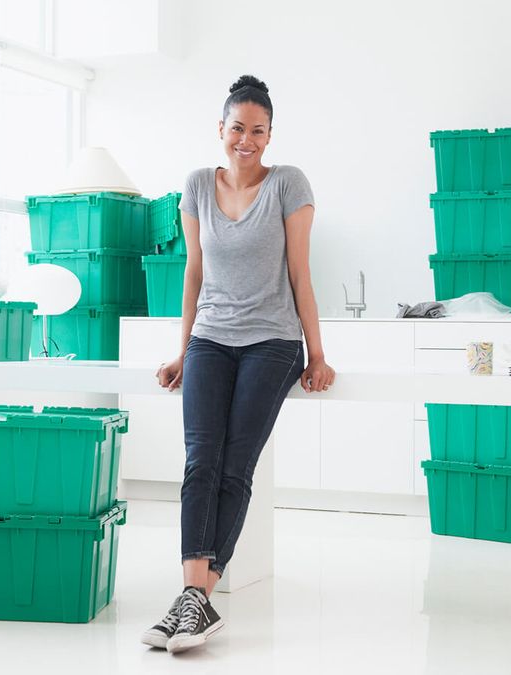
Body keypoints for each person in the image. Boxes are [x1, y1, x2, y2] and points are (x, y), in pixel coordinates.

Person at [141, 74, 336, 654]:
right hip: (210, 341)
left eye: (257, 131)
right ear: (220, 131)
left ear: (270, 135)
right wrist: (182, 347)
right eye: (236, 129)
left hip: (272, 343)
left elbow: (301, 273)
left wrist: (317, 353)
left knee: (235, 466)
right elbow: (193, 274)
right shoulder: (198, 185)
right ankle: (193, 599)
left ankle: (196, 599)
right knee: (200, 462)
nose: (245, 140)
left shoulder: (288, 185)